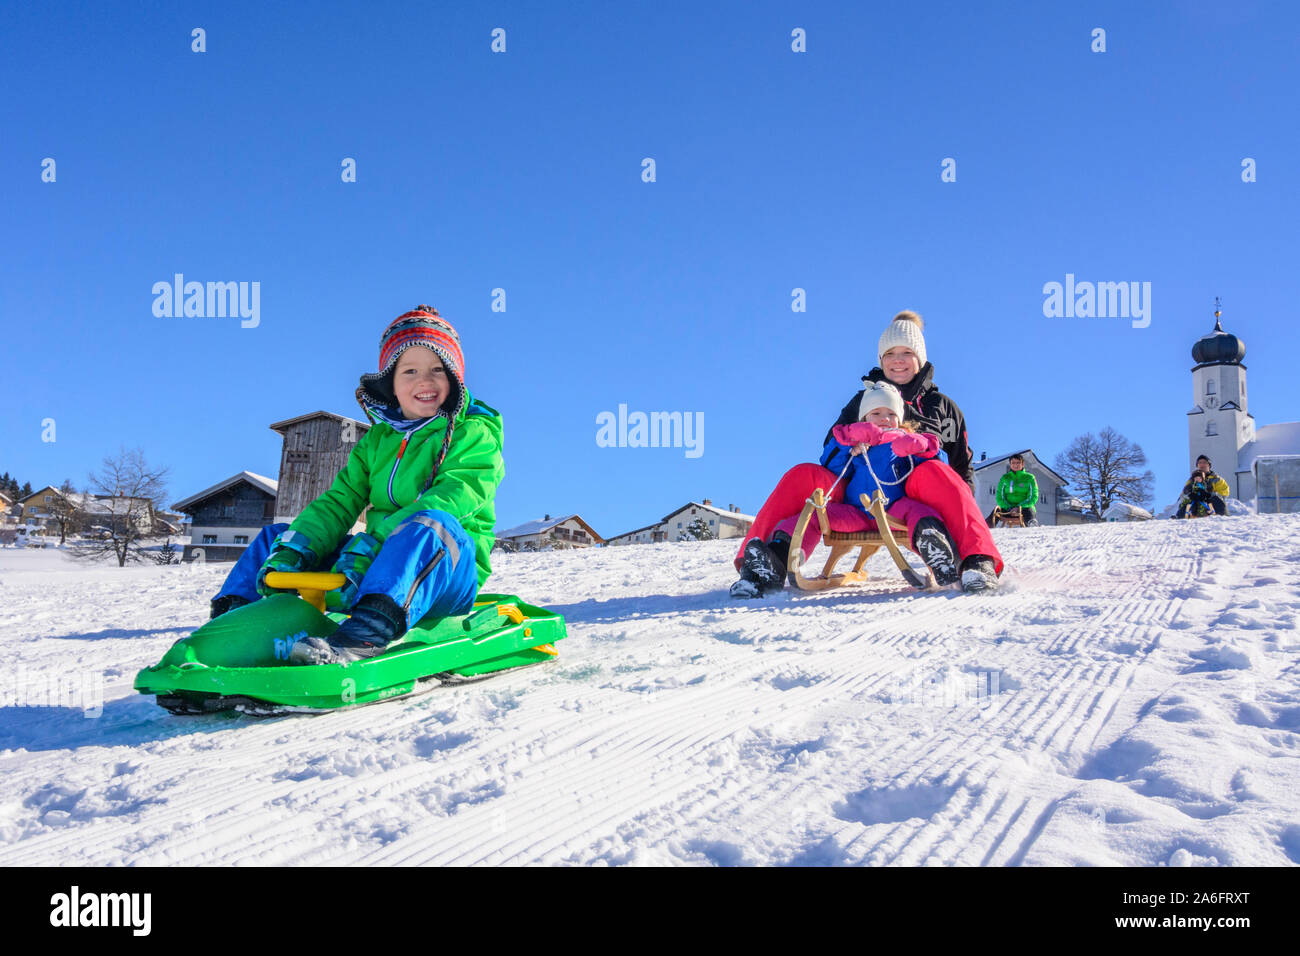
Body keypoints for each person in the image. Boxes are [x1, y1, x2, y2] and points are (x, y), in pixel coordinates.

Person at [208, 306, 504, 665]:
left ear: (454, 378)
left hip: (443, 570)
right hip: (374, 562)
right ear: (391, 384)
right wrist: (298, 548)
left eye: (437, 370)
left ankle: (366, 635)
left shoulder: (473, 433)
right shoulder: (378, 440)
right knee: (278, 536)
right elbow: (339, 501)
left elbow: (453, 496)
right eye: (409, 371)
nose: (424, 381)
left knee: (426, 525)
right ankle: (231, 628)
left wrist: (374, 548)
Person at [987, 454, 1039, 527]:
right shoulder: (1005, 478)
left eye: (1018, 463)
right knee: (997, 510)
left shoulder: (1030, 478)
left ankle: (1032, 525)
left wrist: (1018, 508)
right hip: (1008, 509)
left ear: (1022, 464)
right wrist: (1009, 507)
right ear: (1010, 464)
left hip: (1024, 509)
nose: (1015, 465)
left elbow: (1033, 496)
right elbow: (999, 497)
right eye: (1013, 463)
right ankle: (985, 528)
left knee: (1029, 509)